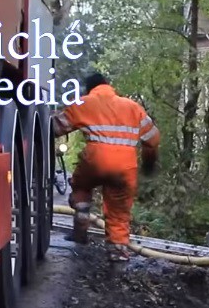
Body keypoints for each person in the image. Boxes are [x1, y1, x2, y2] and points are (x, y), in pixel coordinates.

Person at [52, 73, 161, 261]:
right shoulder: (132, 107)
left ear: (89, 88)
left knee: (81, 186)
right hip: (125, 166)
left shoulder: (85, 102)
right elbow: (153, 138)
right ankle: (117, 251)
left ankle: (81, 222)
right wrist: (149, 162)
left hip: (95, 161)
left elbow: (56, 127)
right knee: (119, 209)